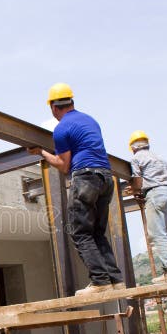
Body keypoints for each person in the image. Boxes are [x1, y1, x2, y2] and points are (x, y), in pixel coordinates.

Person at [28, 83, 124, 295]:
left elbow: (63, 166)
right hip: (106, 178)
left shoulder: (62, 129)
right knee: (97, 232)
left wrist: (42, 152)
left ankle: (100, 281)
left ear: (53, 107)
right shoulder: (90, 120)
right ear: (72, 102)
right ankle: (116, 279)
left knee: (80, 232)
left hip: (86, 178)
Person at [128, 131, 167, 283]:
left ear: (133, 147)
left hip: (156, 194)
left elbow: (138, 180)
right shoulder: (160, 158)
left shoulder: (136, 158)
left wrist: (134, 190)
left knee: (158, 235)